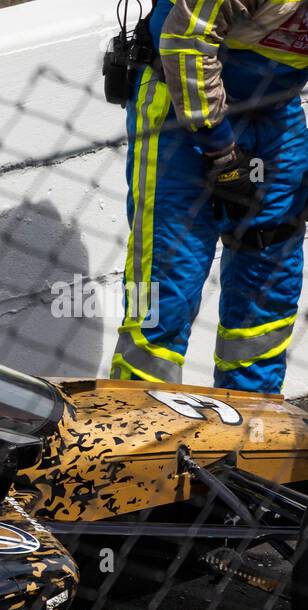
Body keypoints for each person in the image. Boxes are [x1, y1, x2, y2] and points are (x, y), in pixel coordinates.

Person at [111, 0, 308, 393]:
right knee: (165, 290)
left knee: (269, 277)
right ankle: (144, 437)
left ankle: (252, 429)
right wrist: (222, 153)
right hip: (178, 105)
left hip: (274, 112)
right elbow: (185, 42)